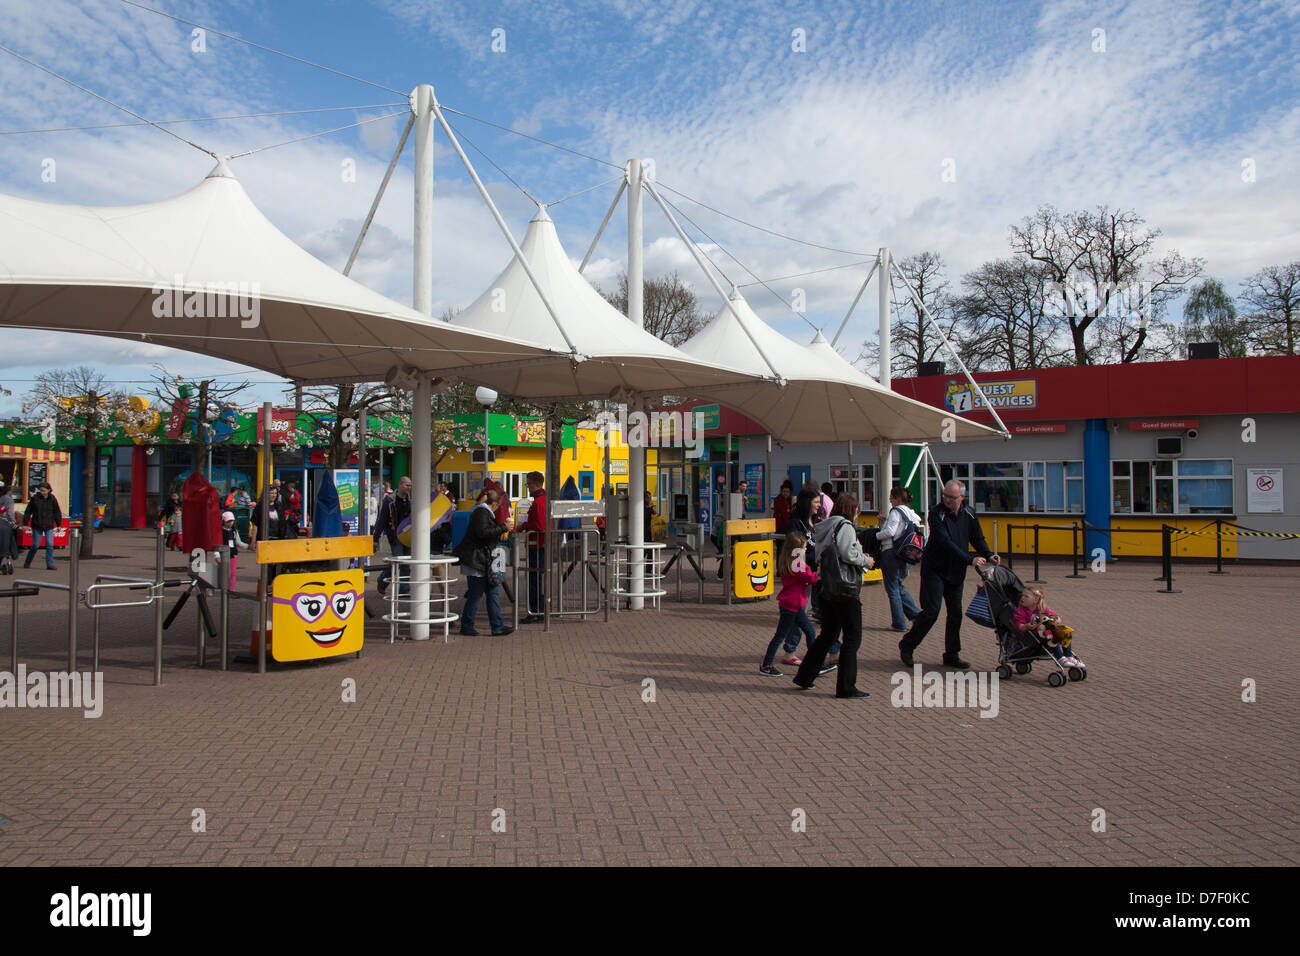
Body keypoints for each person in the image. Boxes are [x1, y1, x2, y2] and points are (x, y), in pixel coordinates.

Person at [899, 480, 999, 670]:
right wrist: (970, 560)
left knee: (956, 614)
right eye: (944, 495)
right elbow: (945, 542)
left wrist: (988, 554)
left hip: (955, 572)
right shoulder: (937, 514)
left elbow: (977, 537)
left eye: (951, 497)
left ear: (962, 497)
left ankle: (952, 654)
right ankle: (907, 645)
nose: (946, 500)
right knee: (931, 612)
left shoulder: (968, 513)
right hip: (934, 570)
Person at [793, 494, 874, 698]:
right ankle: (846, 686)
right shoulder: (845, 526)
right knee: (852, 637)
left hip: (826, 587)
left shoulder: (824, 527)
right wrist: (866, 560)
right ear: (851, 510)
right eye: (857, 511)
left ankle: (805, 676)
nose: (858, 515)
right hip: (845, 589)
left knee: (828, 634)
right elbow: (848, 553)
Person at [453, 487, 513, 636]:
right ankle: (468, 625)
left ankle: (496, 626)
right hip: (476, 560)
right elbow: (482, 533)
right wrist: (502, 528)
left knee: (489, 593)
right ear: (494, 504)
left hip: (481, 560)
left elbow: (484, 533)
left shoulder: (482, 512)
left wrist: (499, 530)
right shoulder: (481, 513)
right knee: (477, 594)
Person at [759, 529, 818, 676]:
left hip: (794, 605)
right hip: (791, 605)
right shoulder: (797, 565)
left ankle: (814, 662)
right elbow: (811, 578)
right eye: (804, 548)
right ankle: (766, 665)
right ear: (797, 550)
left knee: (810, 631)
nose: (806, 550)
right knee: (781, 636)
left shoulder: (789, 561)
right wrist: (818, 572)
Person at [876, 486, 923, 631]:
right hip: (906, 554)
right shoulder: (912, 514)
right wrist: (886, 520)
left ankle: (899, 623)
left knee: (893, 589)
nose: (890, 500)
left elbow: (890, 532)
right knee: (898, 586)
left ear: (897, 499)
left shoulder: (896, 511)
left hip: (891, 552)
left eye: (891, 497)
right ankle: (916, 616)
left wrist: (875, 535)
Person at [1013, 587, 1085, 669]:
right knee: (1051, 635)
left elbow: (1056, 617)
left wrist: (1055, 620)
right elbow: (1020, 627)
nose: (1022, 598)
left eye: (1026, 596)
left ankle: (1069, 656)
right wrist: (1027, 626)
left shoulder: (1042, 609)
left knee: (1065, 631)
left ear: (1035, 600)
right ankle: (1060, 658)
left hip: (1047, 631)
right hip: (1034, 635)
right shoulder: (1020, 612)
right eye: (1022, 596)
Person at [515, 471, 547, 623]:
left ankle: (535, 610)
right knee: (537, 579)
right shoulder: (542, 500)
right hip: (539, 545)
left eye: (528, 484)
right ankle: (537, 610)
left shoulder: (539, 502)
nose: (527, 487)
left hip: (538, 545)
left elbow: (540, 526)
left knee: (535, 579)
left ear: (534, 484)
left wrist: (524, 526)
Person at [372, 475, 412, 596]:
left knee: (406, 563)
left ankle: (404, 590)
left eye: (410, 485)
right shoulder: (390, 501)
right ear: (400, 485)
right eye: (407, 485)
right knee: (398, 560)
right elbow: (382, 520)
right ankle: (383, 580)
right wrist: (376, 537)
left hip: (408, 535)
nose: (409, 487)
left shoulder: (411, 500)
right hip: (395, 535)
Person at [23, 481, 63, 570]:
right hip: (37, 524)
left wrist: (59, 524)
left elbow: (57, 511)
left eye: (44, 491)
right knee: (35, 545)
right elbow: (28, 511)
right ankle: (28, 561)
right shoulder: (35, 498)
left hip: (49, 524)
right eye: (40, 490)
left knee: (49, 544)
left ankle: (50, 564)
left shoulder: (52, 499)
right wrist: (25, 524)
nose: (42, 492)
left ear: (48, 490)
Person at [0, 481, 17, 574]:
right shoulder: (9, 500)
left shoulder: (1, 498)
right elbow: (10, 512)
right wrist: (13, 522)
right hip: (6, 525)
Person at [220, 510, 240, 589]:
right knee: (223, 573)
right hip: (223, 554)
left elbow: (238, 542)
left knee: (233, 573)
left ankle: (232, 589)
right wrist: (217, 556)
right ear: (224, 521)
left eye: (232, 521)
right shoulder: (221, 531)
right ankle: (222, 588)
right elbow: (218, 544)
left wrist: (248, 546)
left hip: (233, 554)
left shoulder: (234, 531)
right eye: (228, 521)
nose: (230, 523)